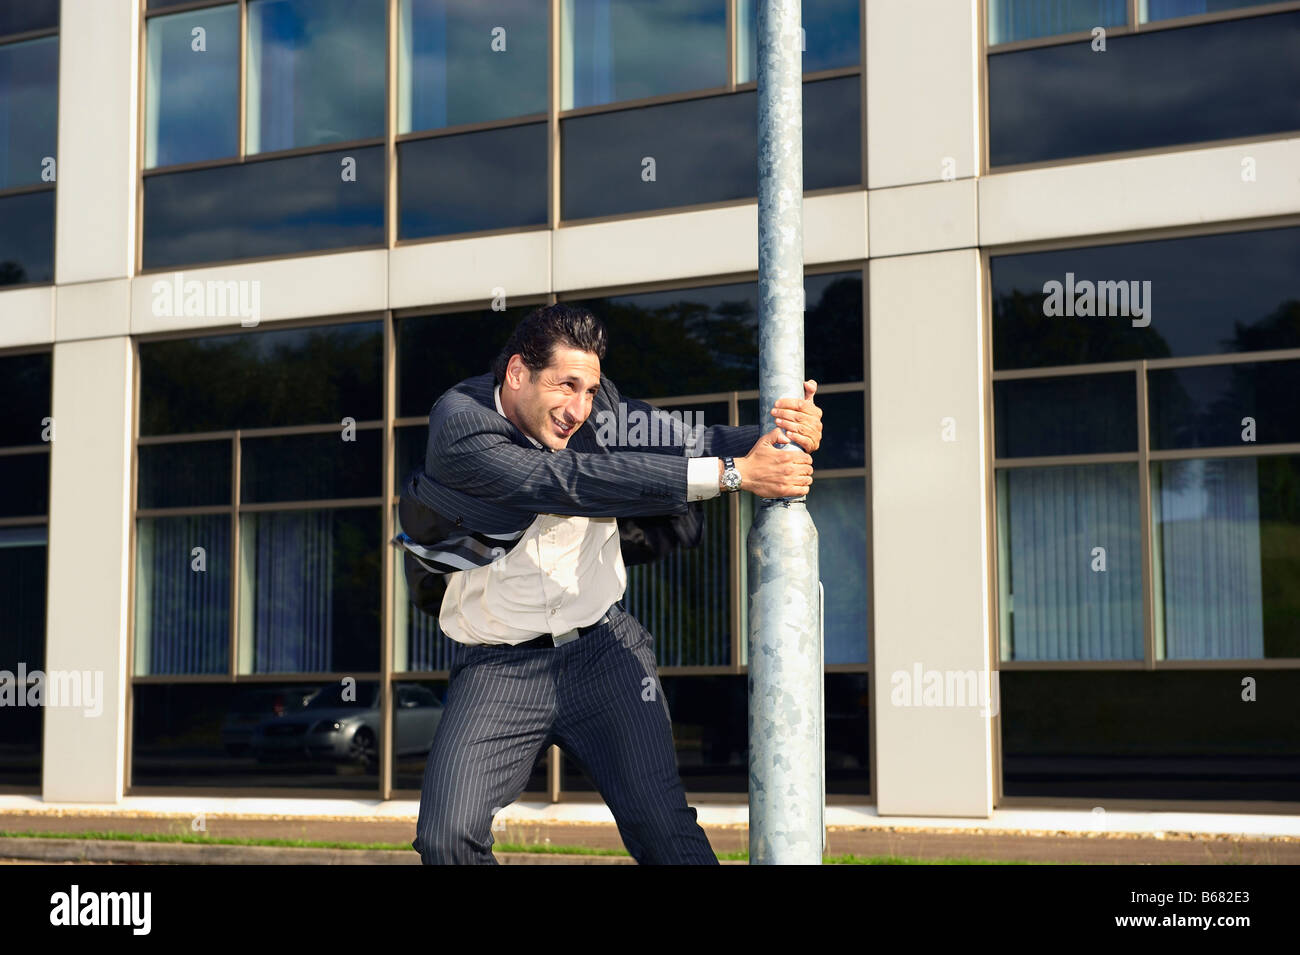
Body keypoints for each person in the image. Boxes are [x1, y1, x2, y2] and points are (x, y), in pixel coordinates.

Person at [408, 303, 823, 864]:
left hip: (603, 654)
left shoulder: (596, 410)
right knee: (444, 837)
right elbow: (562, 482)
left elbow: (688, 439)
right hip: (496, 668)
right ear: (515, 374)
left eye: (590, 389)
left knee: (663, 832)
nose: (579, 409)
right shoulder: (460, 423)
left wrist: (781, 435)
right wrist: (734, 476)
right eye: (566, 386)